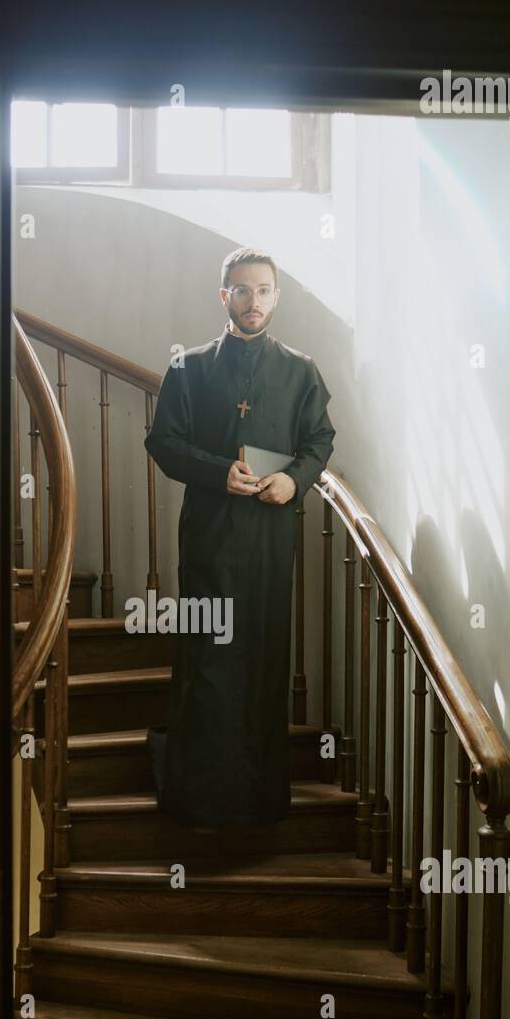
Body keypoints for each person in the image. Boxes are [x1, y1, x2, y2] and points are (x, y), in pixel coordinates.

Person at [144, 247, 336, 829]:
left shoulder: (302, 371)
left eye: (264, 290)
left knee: (263, 657)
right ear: (223, 295)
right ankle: (199, 800)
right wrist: (215, 471)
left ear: (276, 297)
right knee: (208, 660)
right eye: (242, 289)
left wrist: (293, 480)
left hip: (271, 540)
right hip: (209, 536)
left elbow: (319, 442)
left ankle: (258, 801)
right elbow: (163, 443)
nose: (253, 301)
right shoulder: (189, 367)